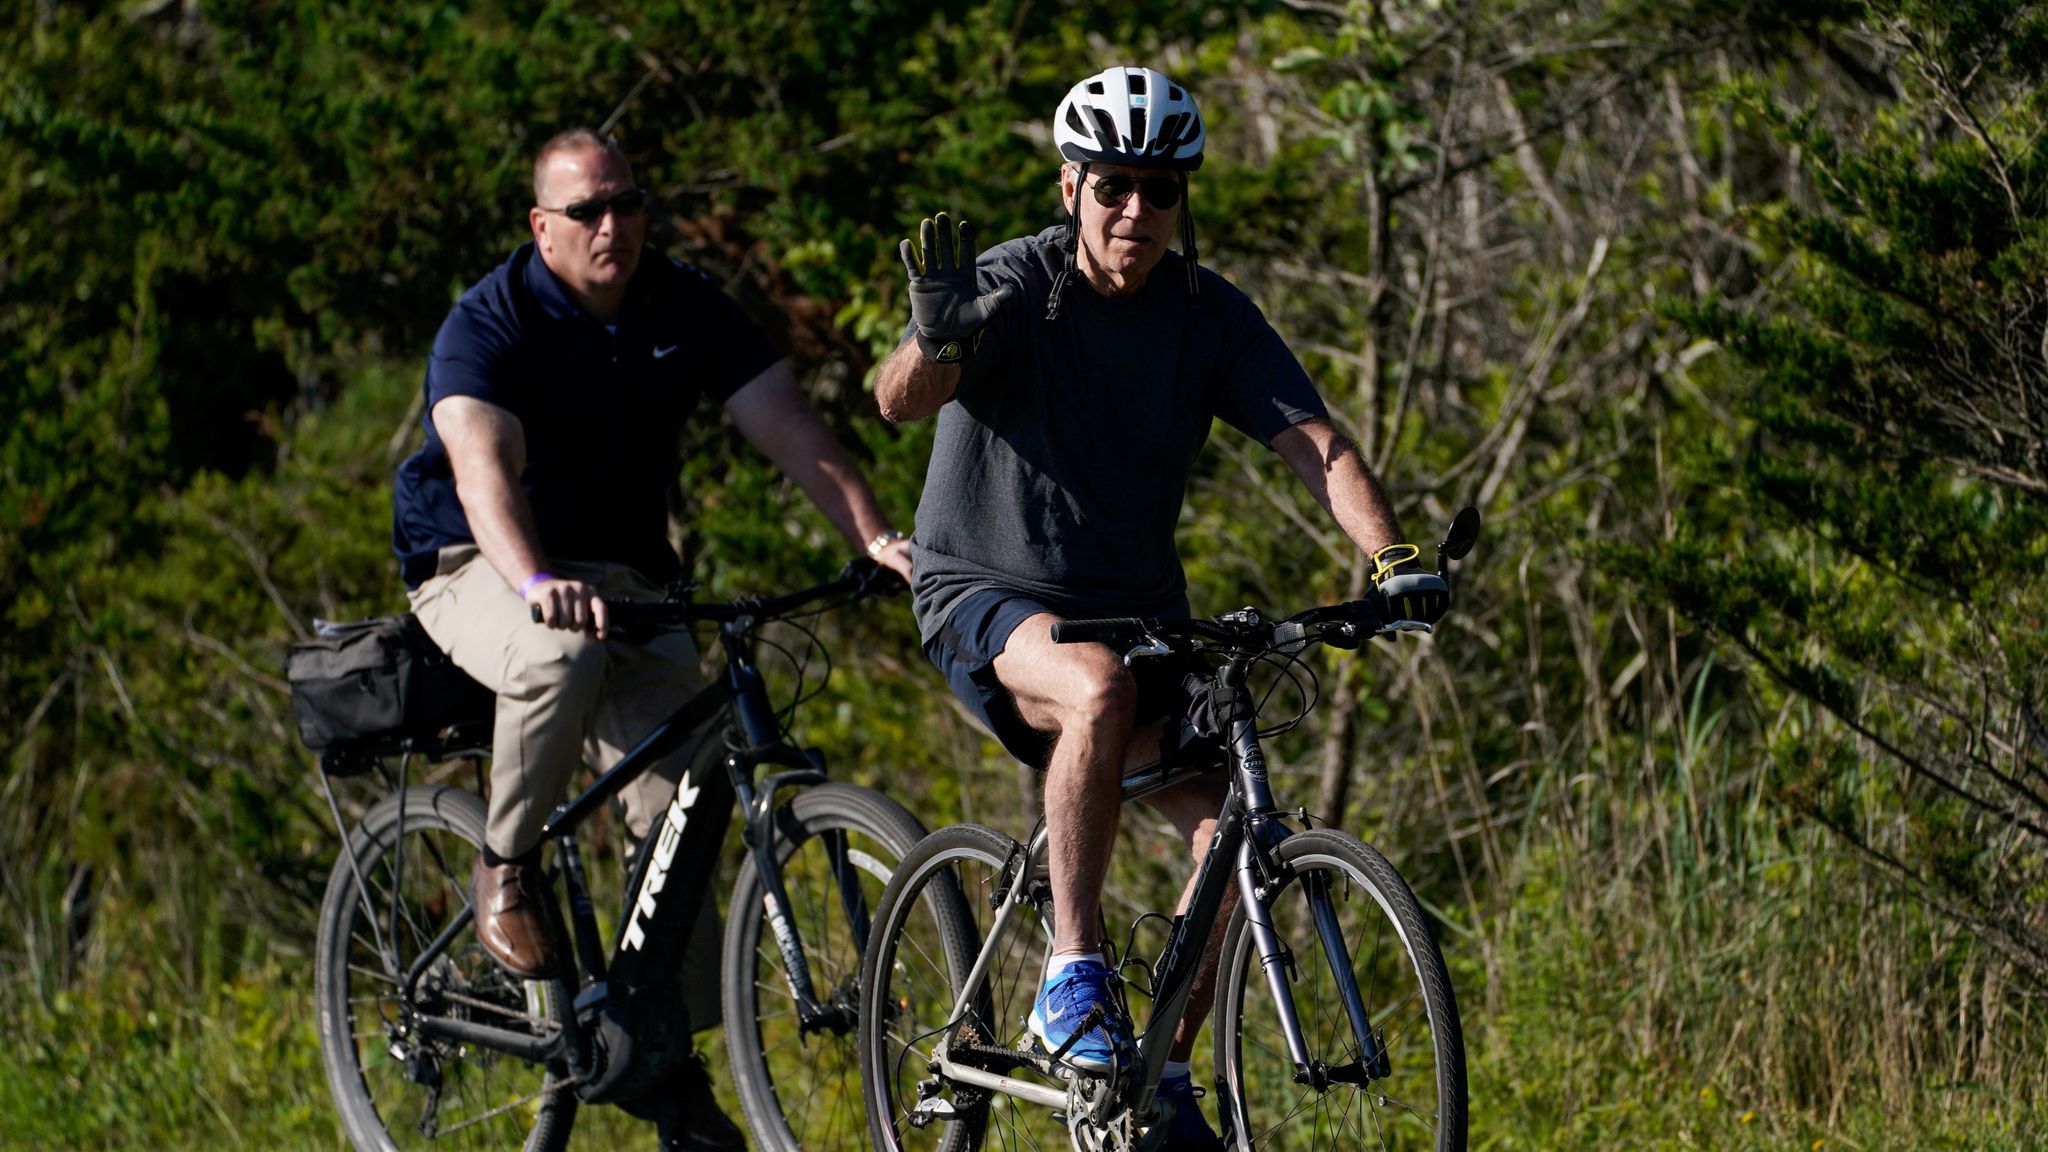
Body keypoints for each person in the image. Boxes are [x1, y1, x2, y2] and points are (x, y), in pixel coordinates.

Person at [875, 67, 1448, 1151]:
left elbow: (1312, 444)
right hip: (983, 593)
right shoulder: (1014, 284)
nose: (1135, 209)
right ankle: (1072, 973)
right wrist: (937, 337)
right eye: (1113, 186)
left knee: (1227, 837)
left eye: (1160, 189)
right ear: (1069, 187)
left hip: (1139, 612)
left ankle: (1159, 1078)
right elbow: (896, 399)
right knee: (1091, 686)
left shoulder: (1206, 315)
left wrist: (1390, 559)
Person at [392, 127, 912, 1150]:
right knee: (557, 655)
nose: (612, 226)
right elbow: (480, 472)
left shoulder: (682, 304)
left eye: (627, 203)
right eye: (586, 211)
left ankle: (667, 1072)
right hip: (474, 563)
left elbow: (790, 427)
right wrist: (534, 581)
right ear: (541, 227)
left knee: (687, 795)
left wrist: (875, 535)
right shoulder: (486, 322)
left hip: (624, 578)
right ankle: (504, 866)